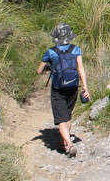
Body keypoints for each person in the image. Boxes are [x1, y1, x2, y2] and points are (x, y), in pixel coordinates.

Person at [37, 23, 90, 157]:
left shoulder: (51, 52)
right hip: (73, 86)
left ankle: (70, 145)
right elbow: (80, 69)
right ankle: (64, 142)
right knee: (67, 114)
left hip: (58, 88)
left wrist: (49, 67)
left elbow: (39, 71)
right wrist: (85, 87)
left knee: (61, 118)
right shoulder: (76, 50)